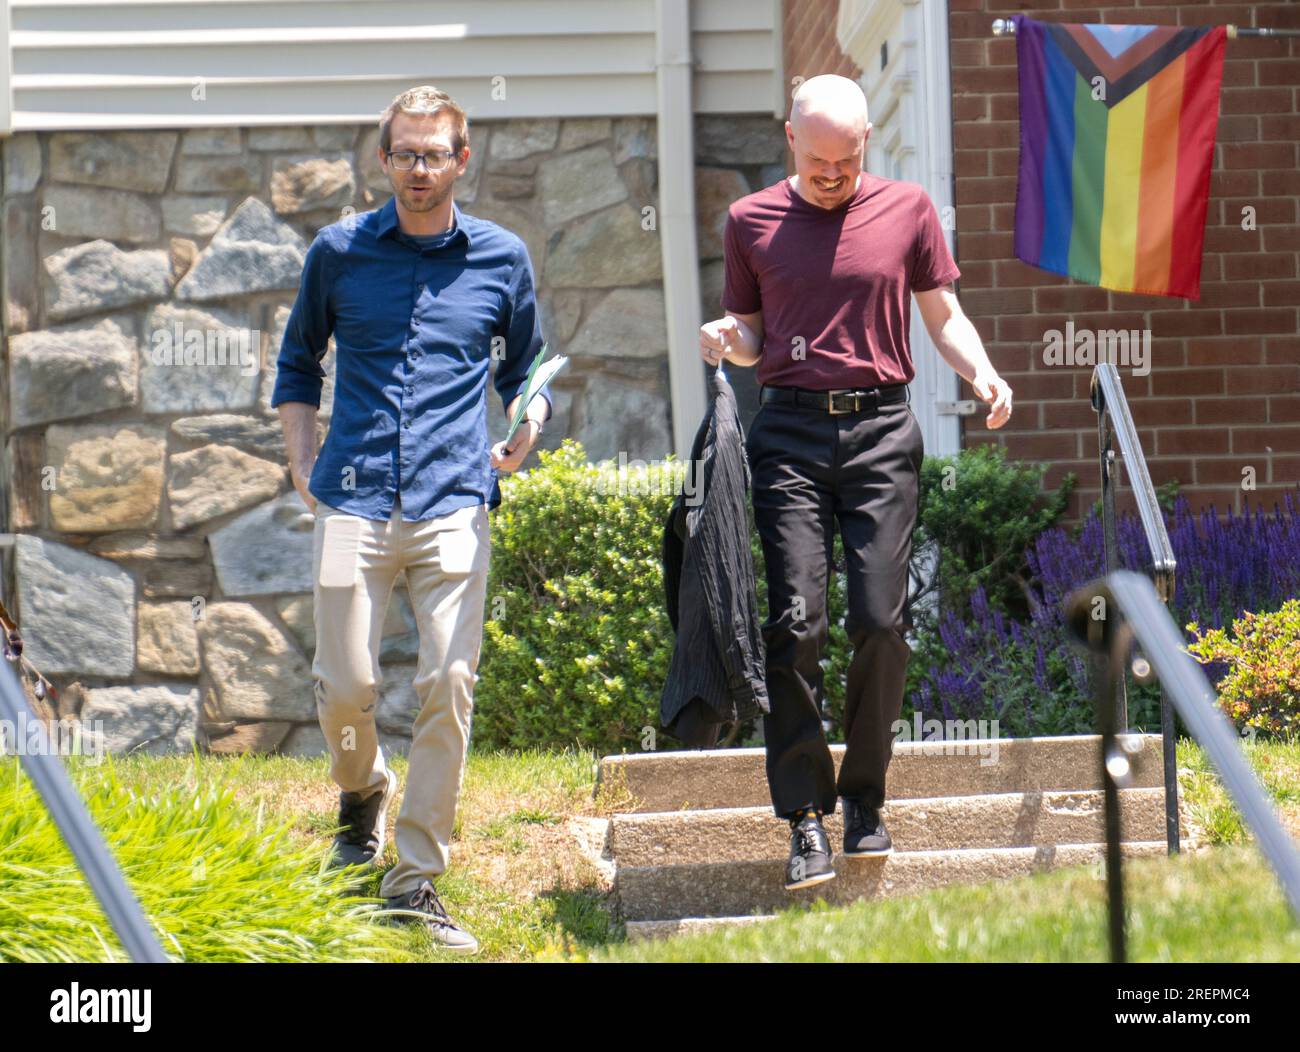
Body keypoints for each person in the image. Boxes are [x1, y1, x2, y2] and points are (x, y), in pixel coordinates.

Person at [699, 74, 1012, 891]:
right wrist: (724, 335)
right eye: (820, 160)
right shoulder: (751, 221)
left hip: (881, 429)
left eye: (849, 159)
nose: (834, 175)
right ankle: (806, 817)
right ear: (791, 137)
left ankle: (866, 800)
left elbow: (941, 314)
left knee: (881, 620)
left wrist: (982, 373)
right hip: (792, 432)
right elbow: (751, 336)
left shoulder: (908, 210)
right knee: (795, 622)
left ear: (866, 139)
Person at [272, 85, 552, 952]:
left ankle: (412, 880)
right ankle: (361, 794)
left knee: (448, 683)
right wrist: (301, 462)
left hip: (455, 498)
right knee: (344, 685)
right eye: (404, 154)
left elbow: (530, 366)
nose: (419, 170)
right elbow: (296, 363)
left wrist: (529, 425)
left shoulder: (502, 258)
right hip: (351, 497)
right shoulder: (340, 251)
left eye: (435, 154)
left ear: (463, 159)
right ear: (383, 158)